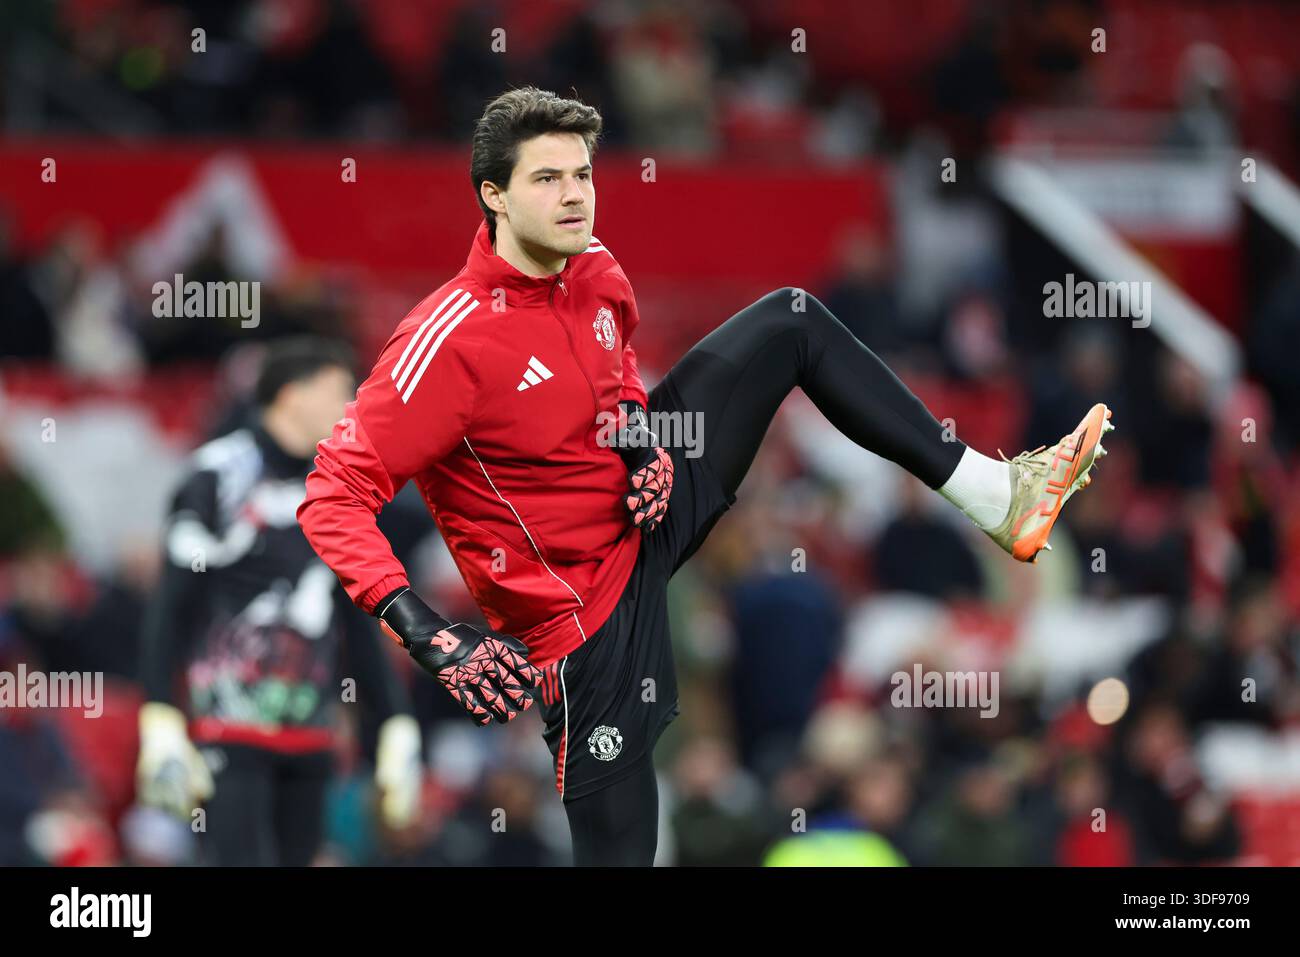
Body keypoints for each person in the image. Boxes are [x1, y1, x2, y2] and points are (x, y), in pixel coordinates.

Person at [297, 87, 1114, 866]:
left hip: (644, 513)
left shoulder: (595, 269)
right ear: (495, 198)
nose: (576, 195)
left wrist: (643, 440)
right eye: (547, 178)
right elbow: (332, 494)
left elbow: (613, 379)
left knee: (791, 320)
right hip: (582, 622)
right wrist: (428, 632)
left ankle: (997, 495)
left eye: (582, 172)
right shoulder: (445, 342)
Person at [137, 337, 421, 865]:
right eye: (342, 392)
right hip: (227, 724)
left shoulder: (341, 489)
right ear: (293, 395)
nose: (355, 408)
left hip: (310, 734)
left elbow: (357, 620)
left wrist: (392, 725)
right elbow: (170, 605)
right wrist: (158, 715)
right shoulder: (217, 475)